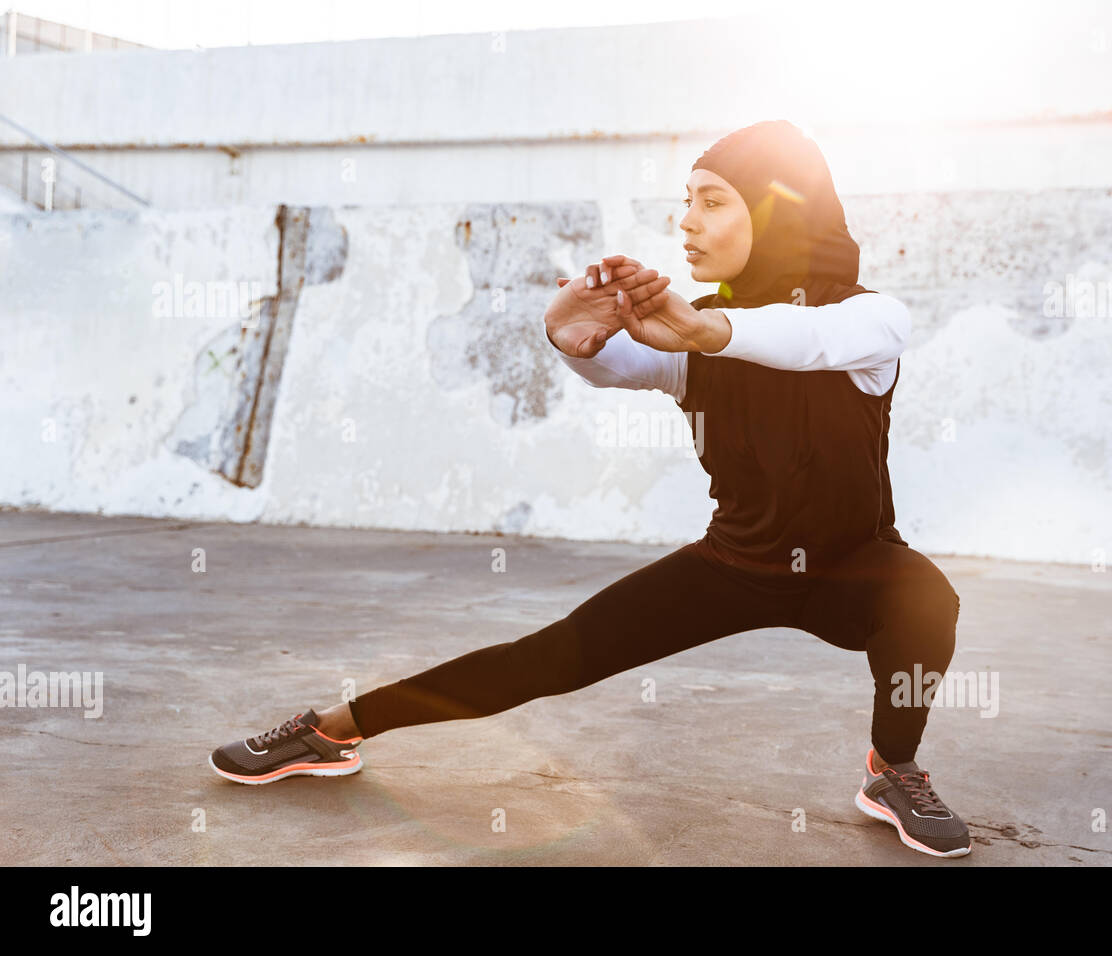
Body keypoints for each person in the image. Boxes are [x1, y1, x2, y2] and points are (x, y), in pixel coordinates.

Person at [208, 120, 970, 859]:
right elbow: (618, 364)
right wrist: (564, 335)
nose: (687, 220)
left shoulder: (870, 317)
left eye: (713, 201)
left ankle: (892, 771)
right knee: (545, 659)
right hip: (735, 566)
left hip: (853, 568)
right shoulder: (688, 333)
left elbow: (812, 341)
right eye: (687, 199)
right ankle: (330, 729)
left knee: (926, 596)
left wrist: (710, 332)